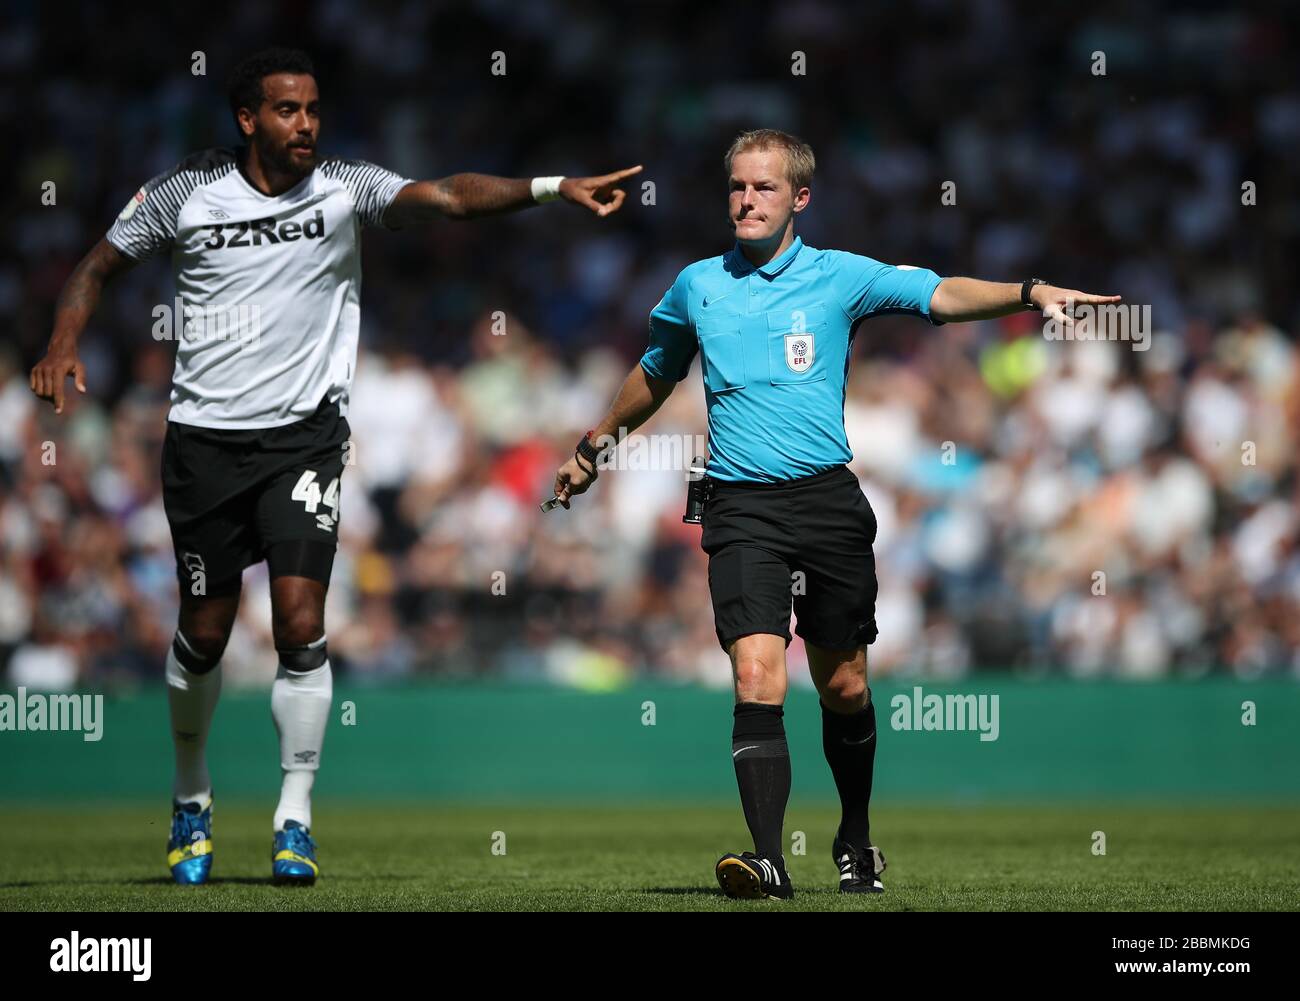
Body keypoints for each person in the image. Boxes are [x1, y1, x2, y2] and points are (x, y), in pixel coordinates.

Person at [29, 46, 640, 887]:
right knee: (204, 633)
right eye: (287, 109)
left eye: (314, 108)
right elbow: (97, 265)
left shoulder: (344, 188)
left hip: (304, 440)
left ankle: (294, 816)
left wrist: (549, 189)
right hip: (203, 444)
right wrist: (62, 340)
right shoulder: (185, 193)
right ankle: (190, 792)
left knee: (299, 620)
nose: (307, 123)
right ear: (249, 119)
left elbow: (450, 197)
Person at [553, 127, 1118, 900]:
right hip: (739, 503)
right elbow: (656, 371)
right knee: (757, 672)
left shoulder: (839, 278)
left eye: (764, 188)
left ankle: (854, 834)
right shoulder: (696, 285)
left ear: (800, 198)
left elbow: (939, 295)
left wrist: (1029, 292)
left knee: (844, 686)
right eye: (737, 188)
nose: (747, 200)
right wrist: (593, 447)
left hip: (826, 503)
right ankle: (766, 860)